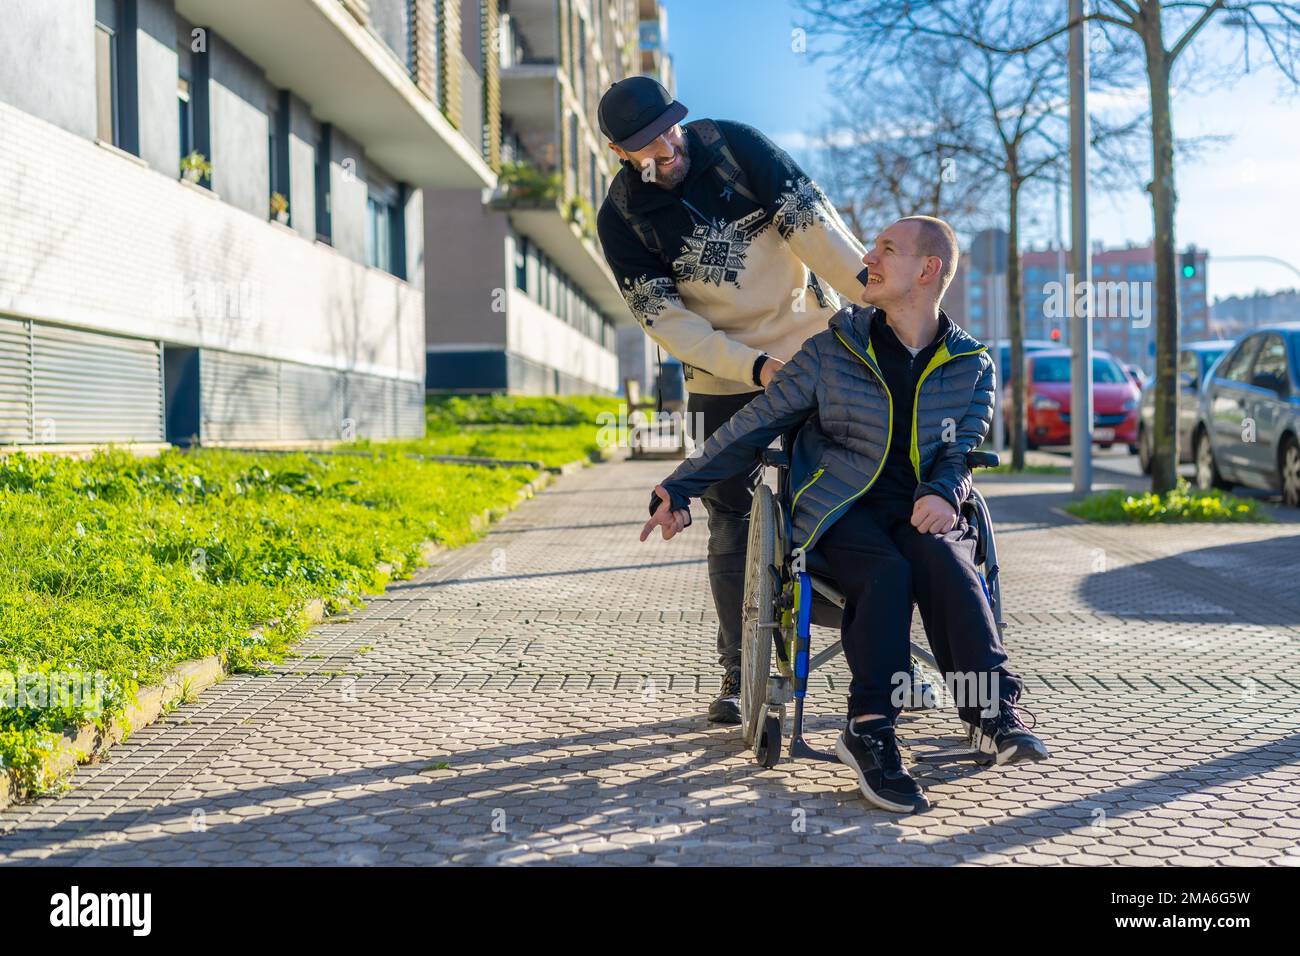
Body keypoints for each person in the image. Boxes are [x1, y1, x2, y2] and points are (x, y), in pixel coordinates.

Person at [640, 216, 1049, 813]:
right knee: (886, 572)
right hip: (840, 508)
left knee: (949, 564)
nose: (869, 257)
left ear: (928, 270)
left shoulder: (971, 365)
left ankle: (990, 711)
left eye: (887, 248)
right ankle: (869, 729)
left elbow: (962, 449)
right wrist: (679, 487)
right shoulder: (834, 350)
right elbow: (755, 423)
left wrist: (942, 490)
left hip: (923, 509)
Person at [596, 75, 873, 724]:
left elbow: (816, 233)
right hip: (721, 374)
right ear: (620, 153)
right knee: (731, 514)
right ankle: (734, 673)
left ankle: (882, 659)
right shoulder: (622, 217)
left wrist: (876, 302)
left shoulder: (738, 147)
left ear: (678, 117)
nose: (665, 148)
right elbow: (666, 320)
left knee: (853, 490)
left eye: (668, 129)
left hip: (812, 347)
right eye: (645, 145)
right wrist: (751, 364)